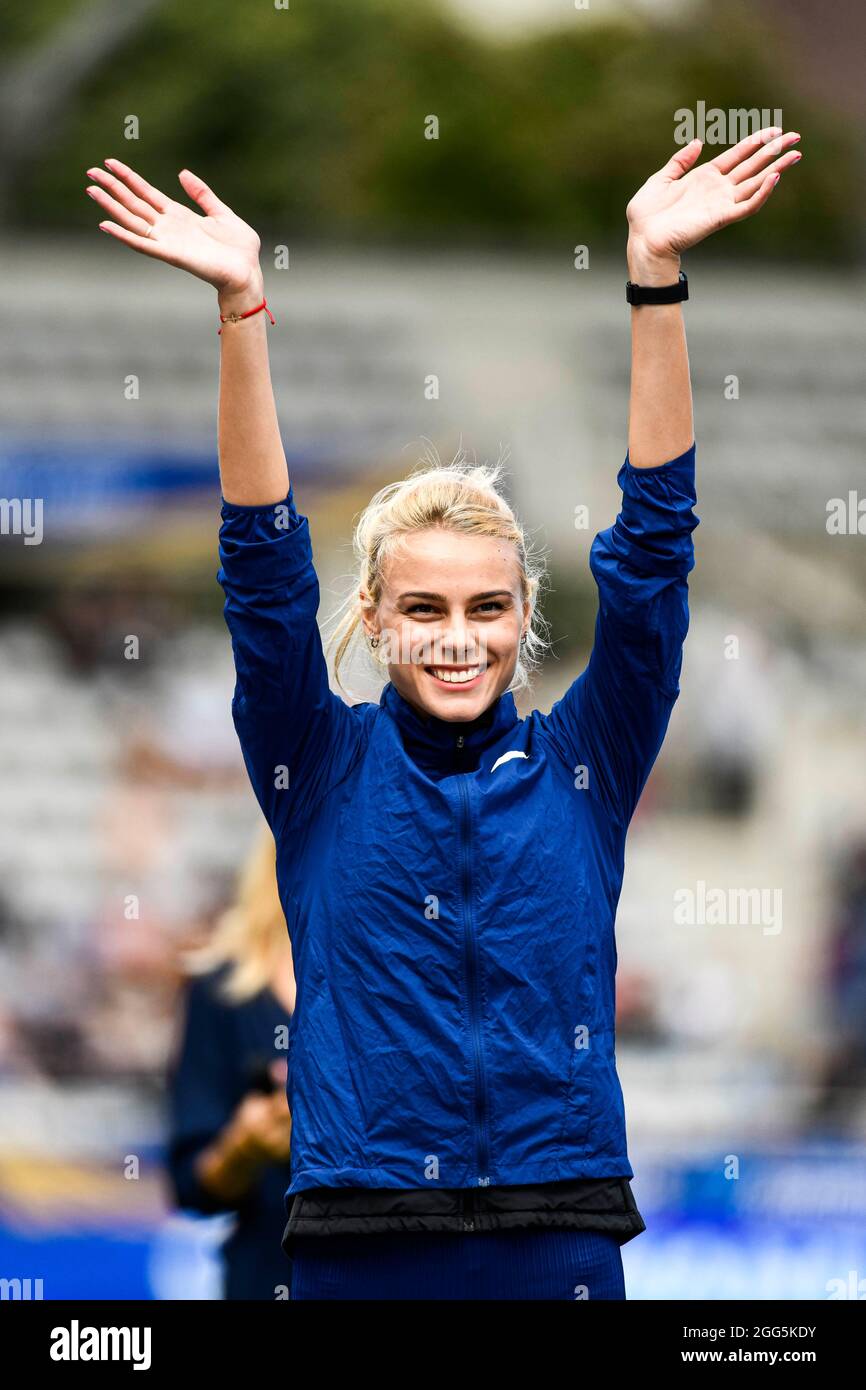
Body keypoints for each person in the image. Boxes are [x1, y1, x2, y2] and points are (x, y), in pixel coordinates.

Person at [88, 125, 801, 1299]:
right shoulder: (315, 762)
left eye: (485, 606)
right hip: (358, 1246)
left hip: (561, 1237)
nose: (456, 634)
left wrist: (653, 278)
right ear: (372, 617)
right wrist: (239, 311)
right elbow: (260, 572)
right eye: (421, 606)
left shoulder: (589, 759)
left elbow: (654, 554)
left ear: (524, 618)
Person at [164, 829, 296, 1300]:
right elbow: (191, 1184)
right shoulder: (221, 990)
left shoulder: (398, 977)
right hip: (266, 1276)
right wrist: (245, 1144)